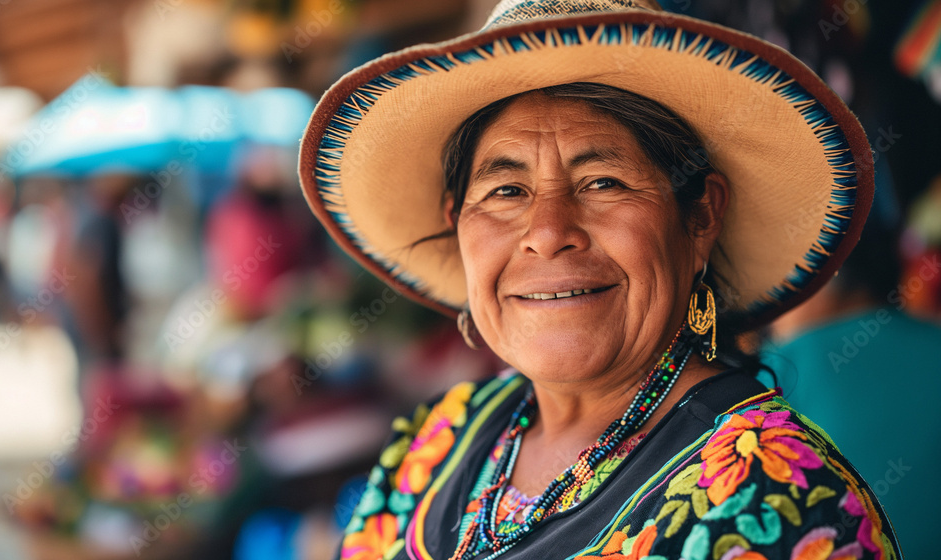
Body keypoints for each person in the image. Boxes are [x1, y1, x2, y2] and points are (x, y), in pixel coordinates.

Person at [296, 0, 902, 558]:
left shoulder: (776, 496)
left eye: (602, 183)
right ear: (458, 227)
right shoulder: (439, 438)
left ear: (699, 216)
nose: (549, 230)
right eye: (506, 191)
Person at [763, 219, 941, 558]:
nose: (770, 312)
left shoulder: (779, 371)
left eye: (779, 280)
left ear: (820, 279)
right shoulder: (934, 342)